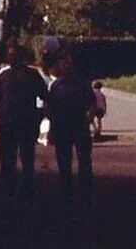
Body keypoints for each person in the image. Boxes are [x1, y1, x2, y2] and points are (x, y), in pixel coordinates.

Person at [0, 42, 48, 201]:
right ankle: (9, 185)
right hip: (7, 122)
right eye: (9, 55)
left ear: (21, 58)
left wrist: (40, 115)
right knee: (6, 156)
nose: (11, 58)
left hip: (26, 123)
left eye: (14, 55)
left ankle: (25, 188)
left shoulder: (32, 75)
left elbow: (44, 97)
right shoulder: (4, 76)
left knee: (26, 157)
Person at [47, 50, 95, 205]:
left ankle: (85, 192)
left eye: (68, 62)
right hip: (62, 127)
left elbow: (92, 103)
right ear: (59, 65)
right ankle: (66, 192)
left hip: (80, 125)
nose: (66, 65)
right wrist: (51, 130)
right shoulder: (56, 86)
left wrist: (90, 117)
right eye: (63, 62)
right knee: (64, 162)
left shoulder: (82, 83)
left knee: (84, 161)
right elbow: (51, 109)